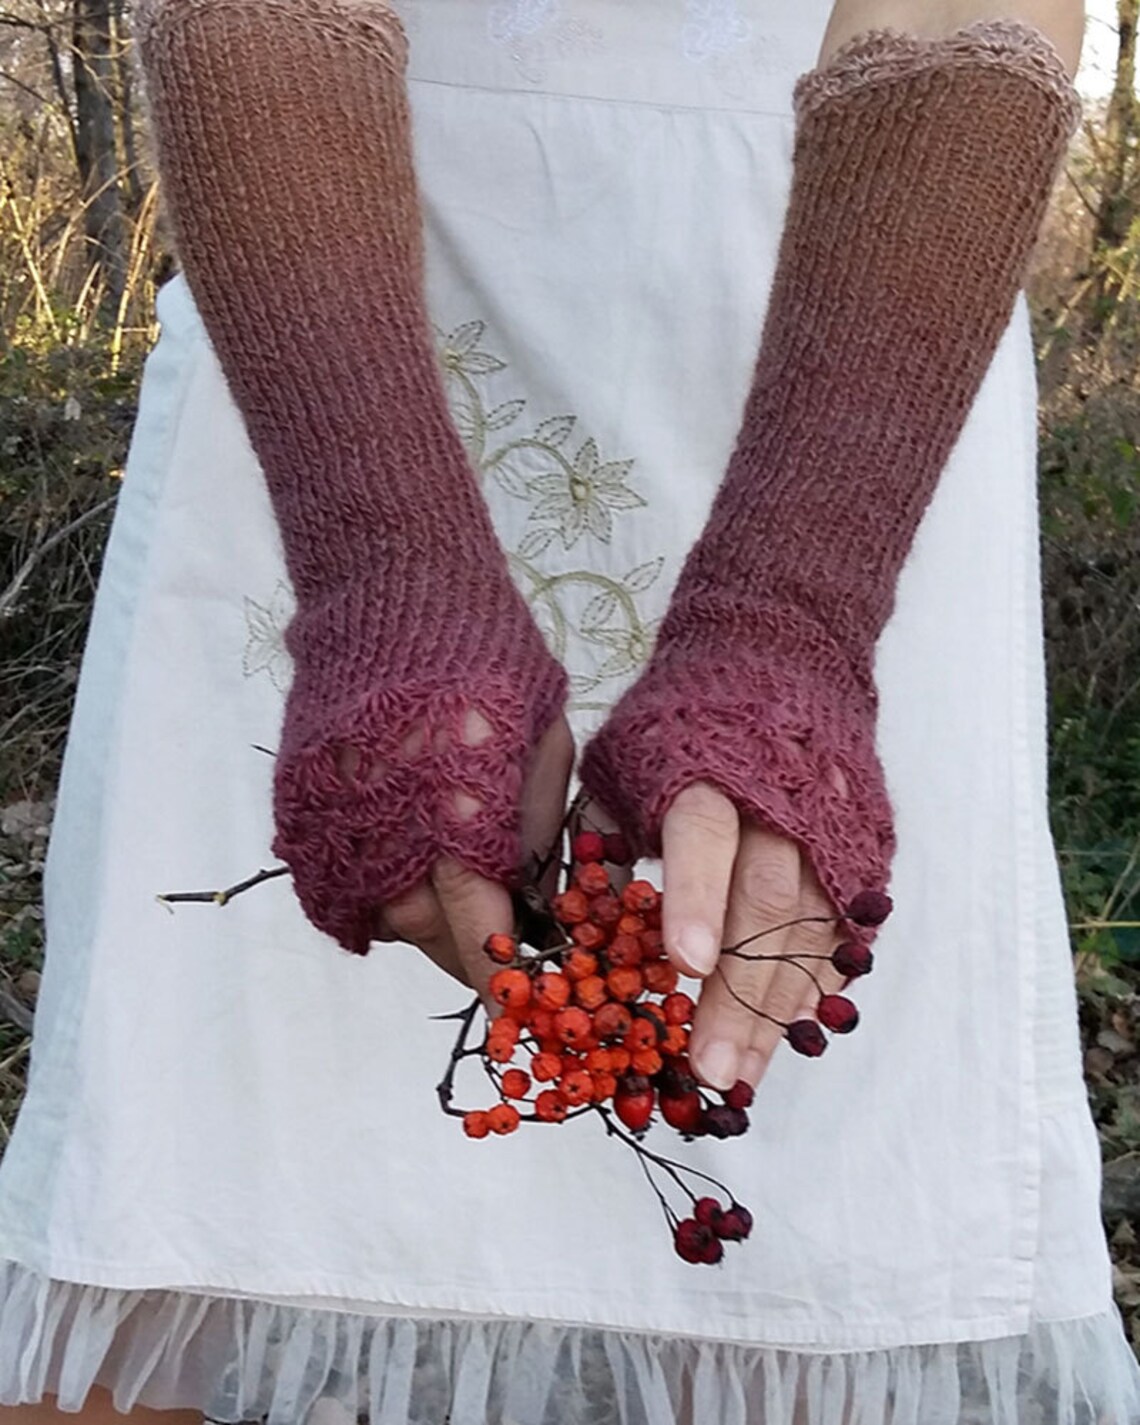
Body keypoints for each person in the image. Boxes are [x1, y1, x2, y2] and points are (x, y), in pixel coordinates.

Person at [1, 0, 1137, 1420]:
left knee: (837, 1279)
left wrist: (794, 616)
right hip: (319, 308)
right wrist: (381, 557)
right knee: (166, 1221)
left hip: (872, 350)